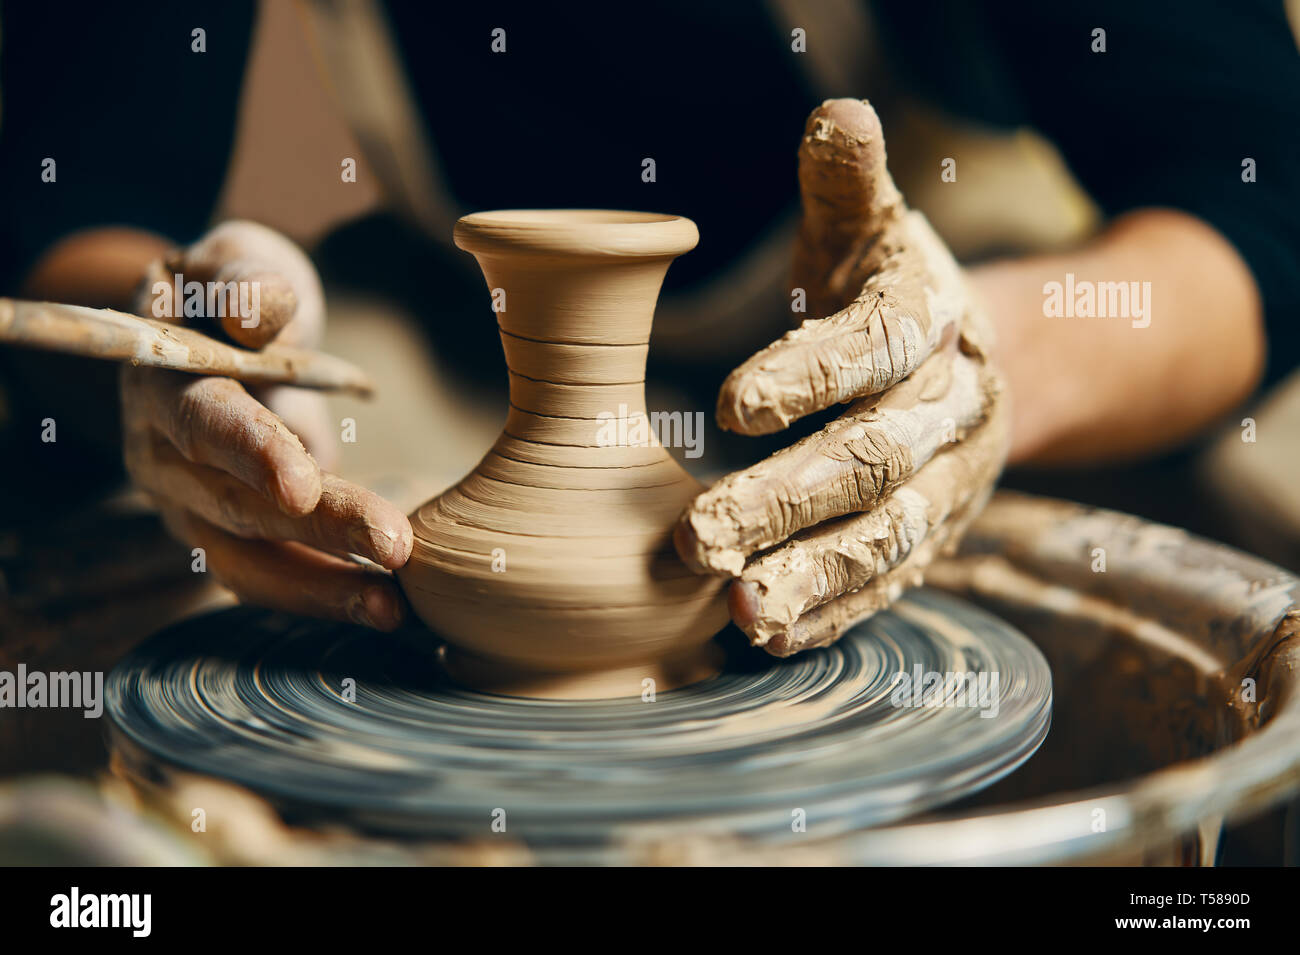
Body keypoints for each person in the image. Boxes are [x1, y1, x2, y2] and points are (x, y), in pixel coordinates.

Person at [2, 1, 1295, 648]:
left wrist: (989, 357)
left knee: (1251, 519)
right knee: (174, 544)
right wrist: (180, 336)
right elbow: (78, 187)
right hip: (491, 347)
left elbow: (1260, 191)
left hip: (962, 298)